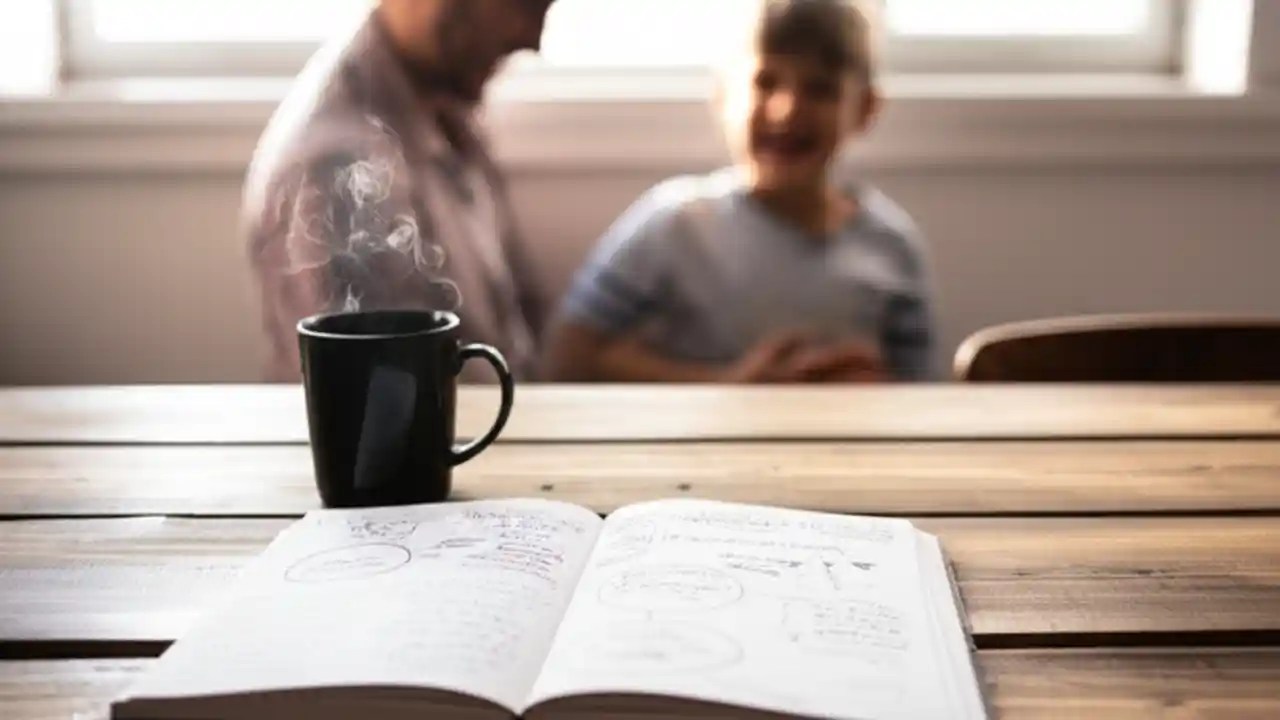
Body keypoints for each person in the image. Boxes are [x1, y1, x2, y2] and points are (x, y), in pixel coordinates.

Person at [544, 0, 936, 383]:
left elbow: (918, 389)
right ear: (722, 95)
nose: (787, 110)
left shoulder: (892, 245)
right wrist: (729, 384)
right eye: (765, 81)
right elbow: (568, 356)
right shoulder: (673, 223)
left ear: (865, 109)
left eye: (821, 90)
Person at [243, 0, 554, 382]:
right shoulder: (341, 170)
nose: (532, 39)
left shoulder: (445, 110)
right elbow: (386, 396)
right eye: (524, 5)